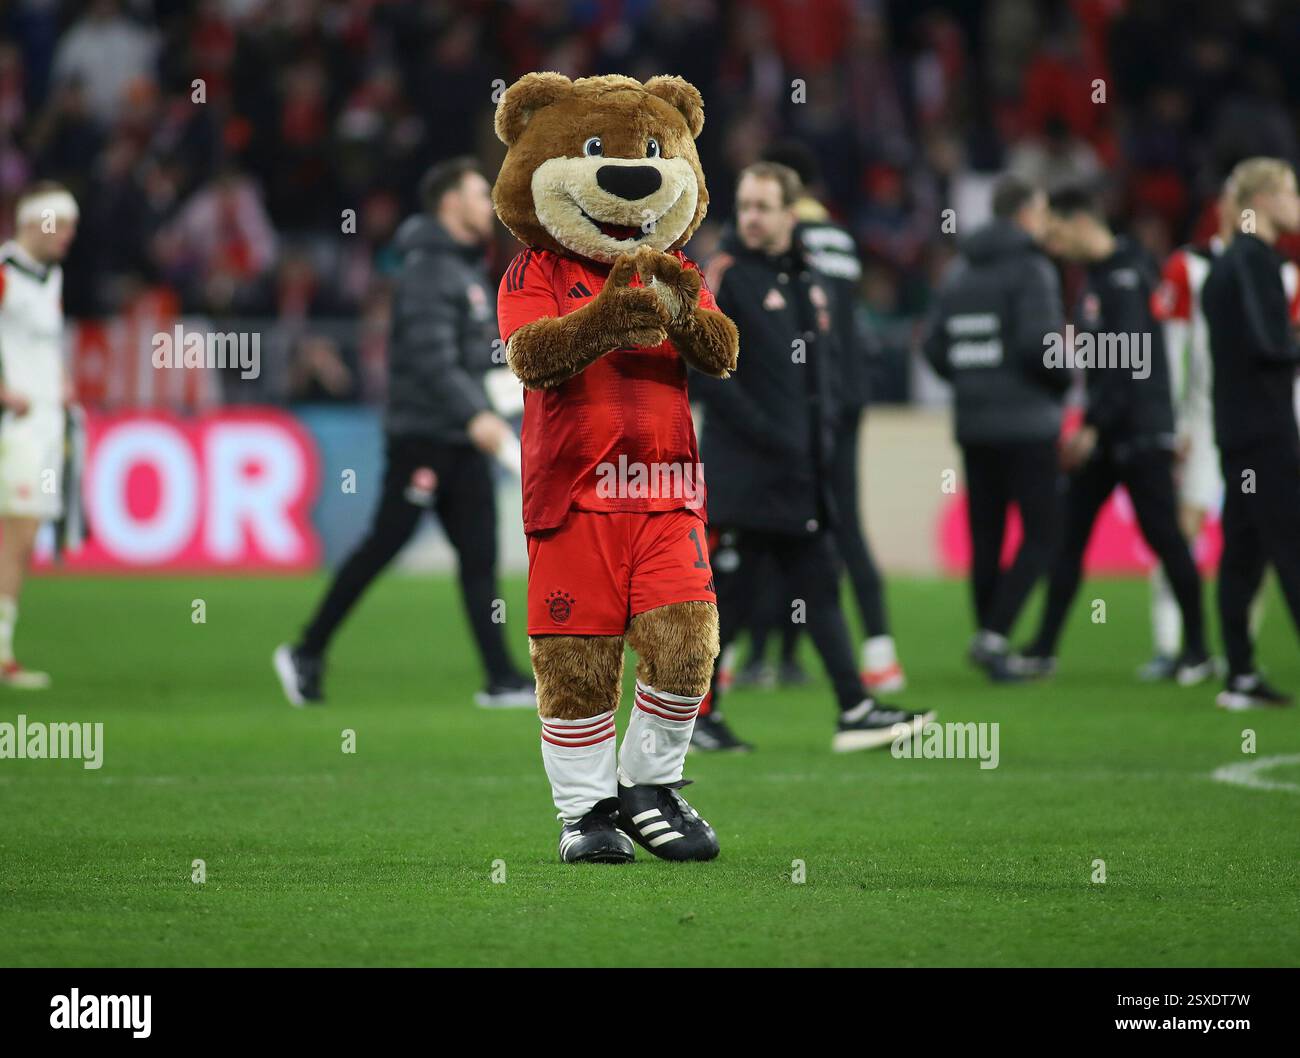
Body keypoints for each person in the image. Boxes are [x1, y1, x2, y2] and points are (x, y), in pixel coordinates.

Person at [274, 158, 533, 708]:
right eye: (476, 191)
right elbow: (430, 360)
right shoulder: (428, 270)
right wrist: (476, 414)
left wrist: (506, 387)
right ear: (449, 203)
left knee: (479, 557)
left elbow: (461, 357)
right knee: (383, 545)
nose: (487, 200)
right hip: (425, 437)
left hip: (459, 438)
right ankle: (306, 650)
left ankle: (500, 677)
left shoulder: (460, 268)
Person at [691, 162, 931, 753]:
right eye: (744, 205)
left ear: (789, 215)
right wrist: (771, 436)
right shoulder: (724, 277)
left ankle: (852, 707)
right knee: (735, 597)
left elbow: (822, 375)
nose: (749, 216)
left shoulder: (811, 280)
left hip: (800, 471)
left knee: (815, 582)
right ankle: (700, 719)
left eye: (762, 206)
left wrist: (820, 442)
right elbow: (707, 374)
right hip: (746, 474)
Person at [1016, 186, 1211, 681]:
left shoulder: (1126, 276)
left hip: (1139, 431)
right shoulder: (1098, 279)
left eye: (1057, 234)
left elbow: (1131, 363)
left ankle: (1198, 650)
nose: (1053, 247)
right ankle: (1042, 648)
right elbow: (1105, 365)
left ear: (1081, 222)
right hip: (1108, 430)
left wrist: (1092, 426)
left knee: (1165, 538)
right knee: (1069, 537)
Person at [764, 140, 906, 693]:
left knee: (780, 526)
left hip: (805, 399)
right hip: (849, 396)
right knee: (844, 523)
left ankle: (757, 657)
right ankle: (881, 654)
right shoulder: (843, 239)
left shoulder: (786, 239)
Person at [922, 175, 1069, 681]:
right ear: (1026, 212)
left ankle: (988, 634)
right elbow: (1038, 345)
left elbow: (934, 345)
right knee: (1044, 532)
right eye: (1043, 210)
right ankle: (995, 635)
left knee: (986, 536)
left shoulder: (961, 270)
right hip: (1028, 424)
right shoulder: (1033, 268)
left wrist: (970, 379)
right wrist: (1064, 380)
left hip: (974, 422)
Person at [1201, 157, 1300, 709]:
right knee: (1290, 549)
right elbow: (1271, 346)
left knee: (1243, 552)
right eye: (1291, 193)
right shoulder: (1258, 262)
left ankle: (1239, 675)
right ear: (1262, 200)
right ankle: (1238, 674)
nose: (1297, 205)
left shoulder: (1225, 265)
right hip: (1266, 434)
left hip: (1235, 434)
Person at [0, 181, 80, 688]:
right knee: (18, 532)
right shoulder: (5, 272)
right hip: (15, 424)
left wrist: (62, 381)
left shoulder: (50, 276)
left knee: (22, 537)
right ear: (33, 222)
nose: (68, 235)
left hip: (45, 420)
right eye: (61, 224)